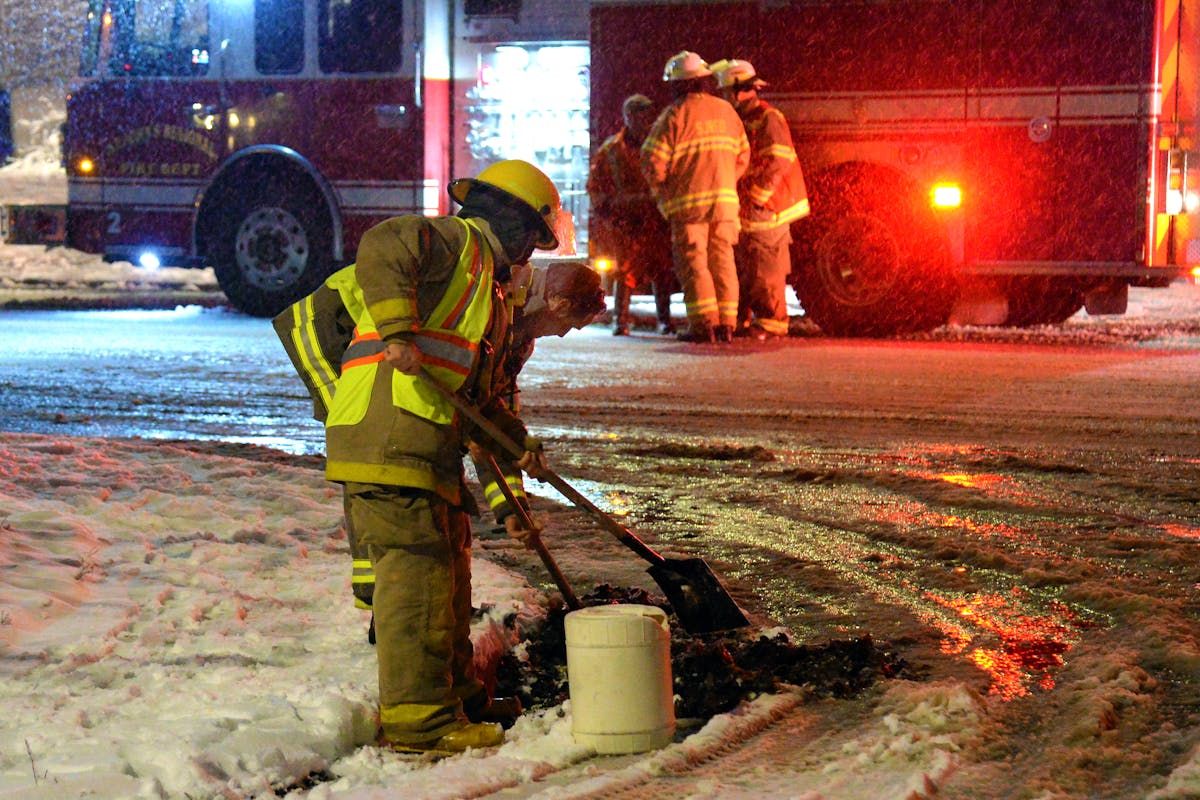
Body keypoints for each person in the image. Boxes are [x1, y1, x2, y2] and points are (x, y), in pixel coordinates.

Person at [272, 160, 599, 755]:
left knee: (448, 576)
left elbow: (479, 402)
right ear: (518, 226)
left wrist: (517, 450)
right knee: (417, 579)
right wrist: (396, 330)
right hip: (390, 435)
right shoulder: (457, 243)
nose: (531, 255)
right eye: (533, 240)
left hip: (422, 444)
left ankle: (456, 697)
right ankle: (419, 722)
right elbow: (384, 242)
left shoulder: (487, 296)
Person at [641, 50, 749, 343]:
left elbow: (652, 162)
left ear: (679, 85)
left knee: (695, 265)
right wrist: (724, 182)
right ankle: (727, 324)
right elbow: (742, 156)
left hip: (688, 209)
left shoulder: (674, 115)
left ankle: (704, 325)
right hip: (725, 206)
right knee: (724, 262)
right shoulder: (727, 112)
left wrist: (664, 193)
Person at [710, 59, 809, 341]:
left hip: (770, 206)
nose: (724, 97)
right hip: (752, 205)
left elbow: (779, 160)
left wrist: (757, 196)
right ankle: (744, 319)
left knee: (766, 264)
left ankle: (772, 323)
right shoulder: (743, 119)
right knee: (748, 263)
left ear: (740, 90)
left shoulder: (768, 117)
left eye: (727, 91)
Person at [588, 94, 676, 335]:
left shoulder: (660, 145)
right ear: (627, 116)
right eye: (638, 113)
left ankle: (664, 320)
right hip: (625, 221)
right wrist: (608, 214)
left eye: (646, 113)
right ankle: (621, 320)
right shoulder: (612, 150)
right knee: (624, 270)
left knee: (661, 270)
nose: (643, 119)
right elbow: (595, 186)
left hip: (655, 218)